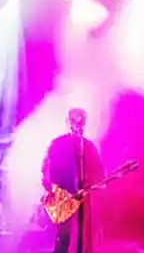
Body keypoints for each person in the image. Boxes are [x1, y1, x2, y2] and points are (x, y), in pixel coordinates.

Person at [42, 108, 104, 253]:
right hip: (64, 197)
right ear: (68, 122)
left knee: (83, 234)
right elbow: (47, 169)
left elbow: (98, 171)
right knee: (65, 234)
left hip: (83, 197)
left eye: (82, 121)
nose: (79, 125)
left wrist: (92, 185)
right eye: (75, 120)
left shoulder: (88, 146)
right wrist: (54, 189)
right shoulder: (57, 144)